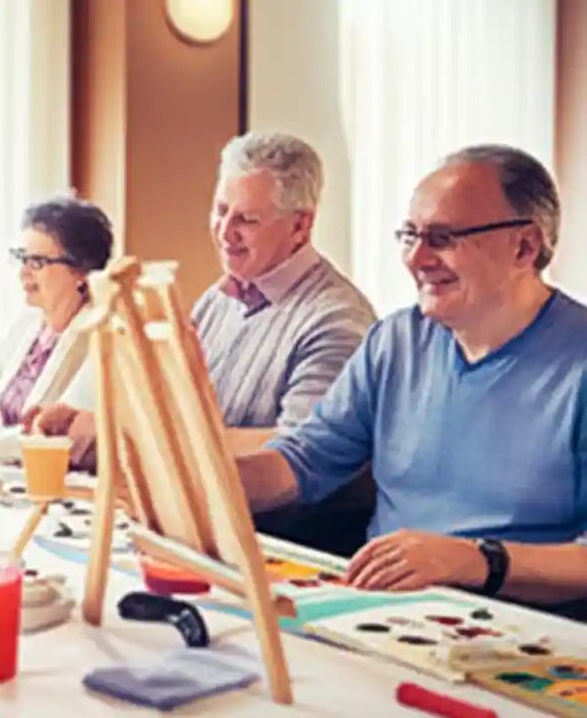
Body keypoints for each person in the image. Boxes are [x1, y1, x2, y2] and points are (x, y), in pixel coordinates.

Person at [233, 144, 587, 612]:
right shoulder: (395, 341)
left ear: (524, 246)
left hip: (525, 626)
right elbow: (307, 459)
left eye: (442, 238)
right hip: (387, 612)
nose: (417, 258)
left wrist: (473, 560)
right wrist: (203, 485)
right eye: (410, 235)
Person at [28, 133, 378, 556]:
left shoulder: (335, 322)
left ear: (300, 226)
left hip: (280, 547)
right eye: (220, 210)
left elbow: (300, 454)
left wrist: (129, 436)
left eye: (247, 220)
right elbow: (175, 414)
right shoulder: (217, 300)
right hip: (197, 534)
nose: (225, 233)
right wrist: (100, 423)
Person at [0, 196, 113, 462]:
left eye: (37, 262)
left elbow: (57, 433)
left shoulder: (102, 338)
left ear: (81, 271)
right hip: (5, 475)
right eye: (21, 258)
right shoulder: (29, 325)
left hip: (57, 481)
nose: (23, 272)